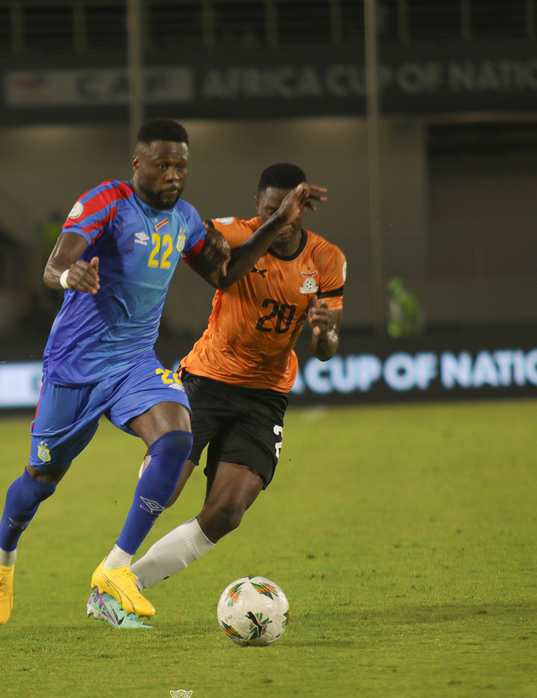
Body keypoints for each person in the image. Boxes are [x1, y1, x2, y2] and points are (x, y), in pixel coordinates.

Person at [0, 121, 316, 629]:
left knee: (176, 439)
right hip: (75, 367)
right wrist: (71, 275)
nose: (173, 175)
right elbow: (57, 263)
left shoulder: (184, 219)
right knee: (42, 479)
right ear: (138, 164)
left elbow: (225, 273)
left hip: (134, 361)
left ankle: (116, 568)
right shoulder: (108, 203)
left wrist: (274, 225)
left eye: (181, 165)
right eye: (162, 164)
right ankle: (2, 554)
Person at [97, 163, 345, 627]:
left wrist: (324, 334)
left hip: (265, 395)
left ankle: (115, 589)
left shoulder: (327, 260)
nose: (282, 220)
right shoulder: (232, 234)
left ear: (303, 210)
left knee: (227, 512)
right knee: (166, 489)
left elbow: (326, 348)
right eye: (272, 211)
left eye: (289, 212)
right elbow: (214, 266)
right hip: (206, 380)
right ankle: (126, 540)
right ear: (258, 207)